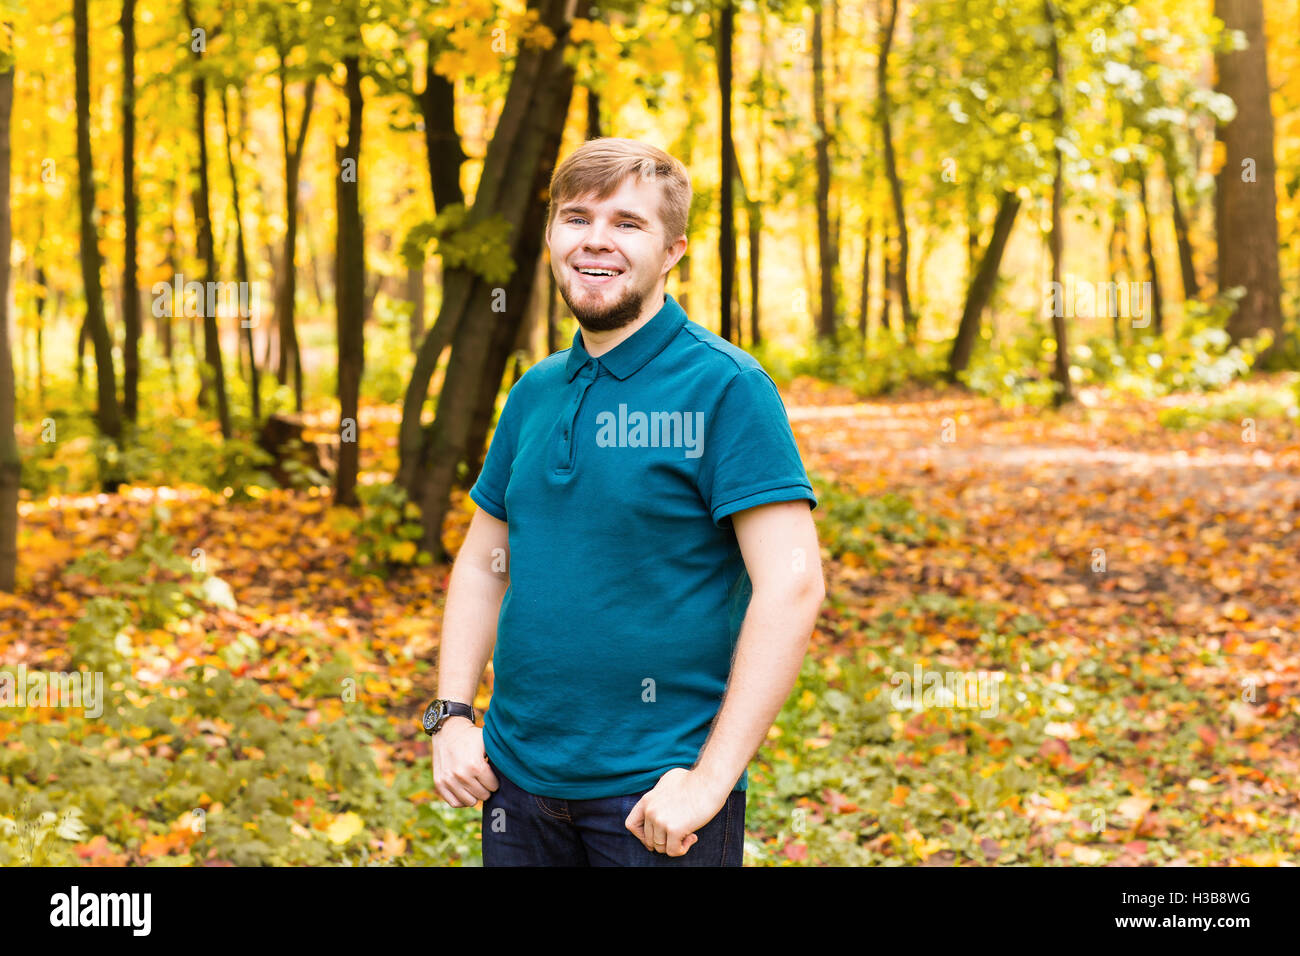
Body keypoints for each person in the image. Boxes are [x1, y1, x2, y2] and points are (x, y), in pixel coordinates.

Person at [426, 137, 825, 866]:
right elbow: (486, 562)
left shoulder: (726, 387)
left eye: (628, 224)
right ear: (551, 235)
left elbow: (793, 583)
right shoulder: (535, 391)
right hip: (516, 787)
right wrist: (451, 714)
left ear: (673, 250)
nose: (595, 241)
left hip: (655, 800)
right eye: (576, 218)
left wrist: (709, 781)